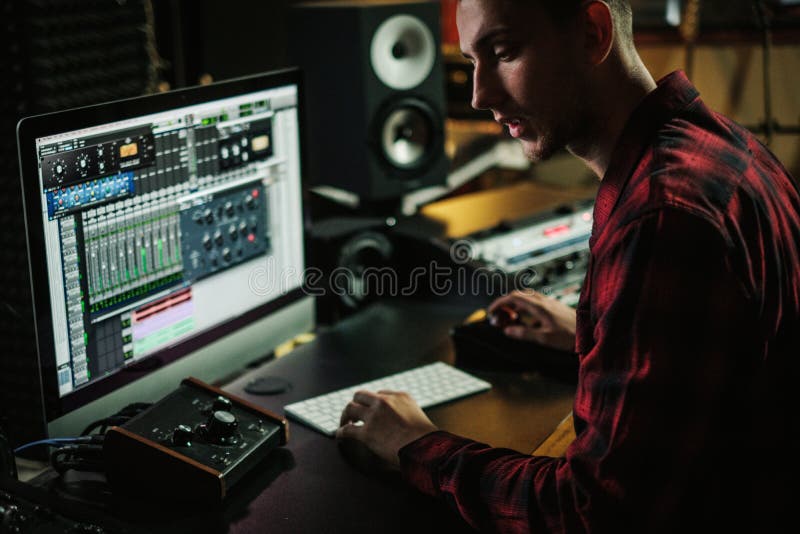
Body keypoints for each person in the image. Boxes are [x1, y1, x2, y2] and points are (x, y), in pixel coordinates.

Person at [337, 0, 800, 531]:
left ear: (593, 33)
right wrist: (593, 336)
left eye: (504, 51)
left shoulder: (662, 213)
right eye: (472, 62)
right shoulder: (728, 147)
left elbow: (591, 512)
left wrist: (416, 445)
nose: (480, 94)